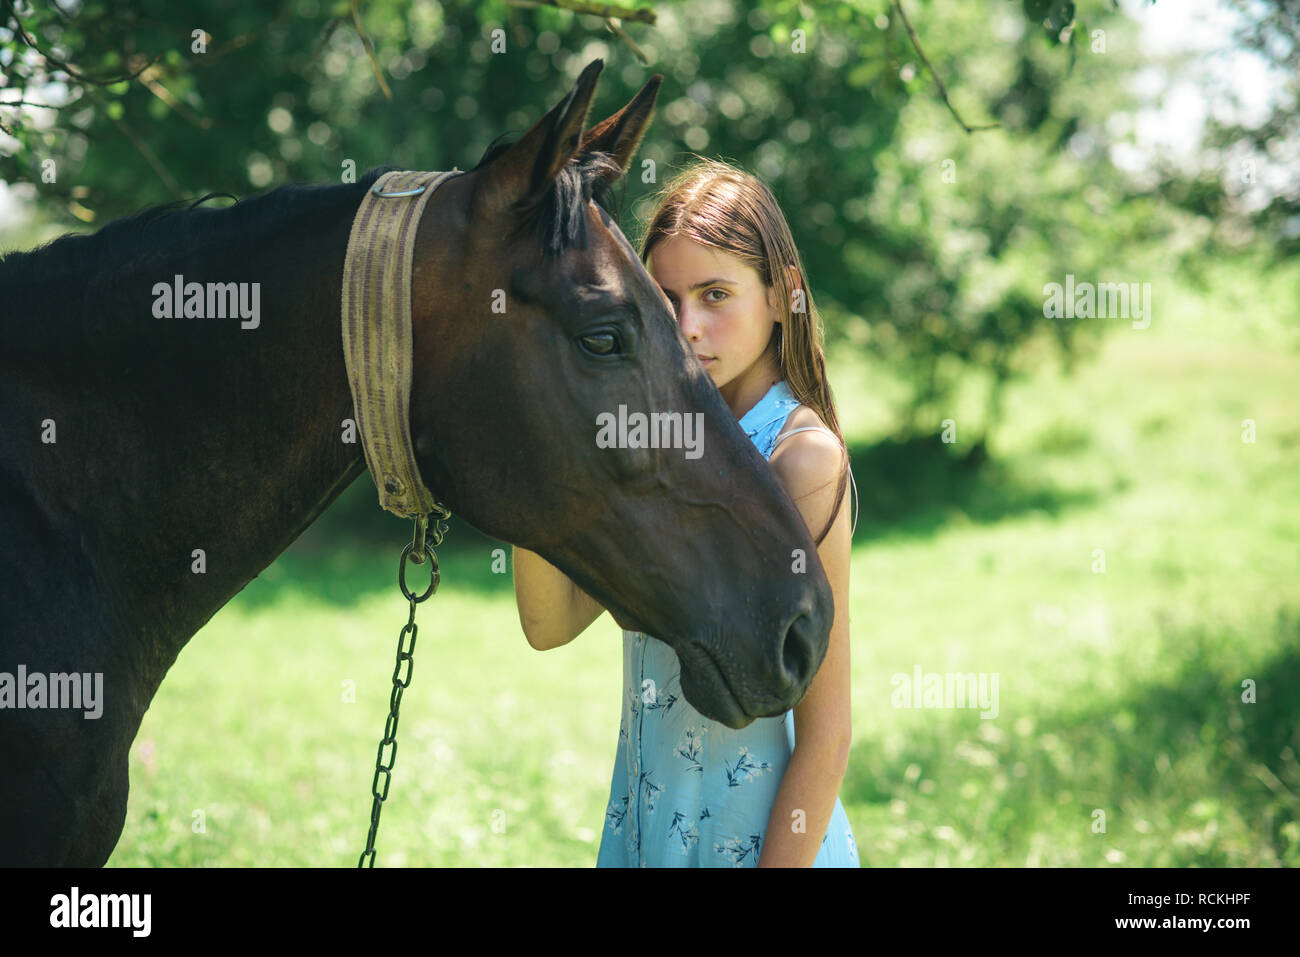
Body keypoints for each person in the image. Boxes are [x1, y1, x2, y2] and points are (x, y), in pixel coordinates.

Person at [513, 157, 859, 867]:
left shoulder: (800, 462)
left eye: (715, 294)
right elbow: (549, 625)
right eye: (665, 298)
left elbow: (826, 730)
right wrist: (547, 446)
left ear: (781, 296)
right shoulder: (655, 441)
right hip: (645, 837)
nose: (687, 327)